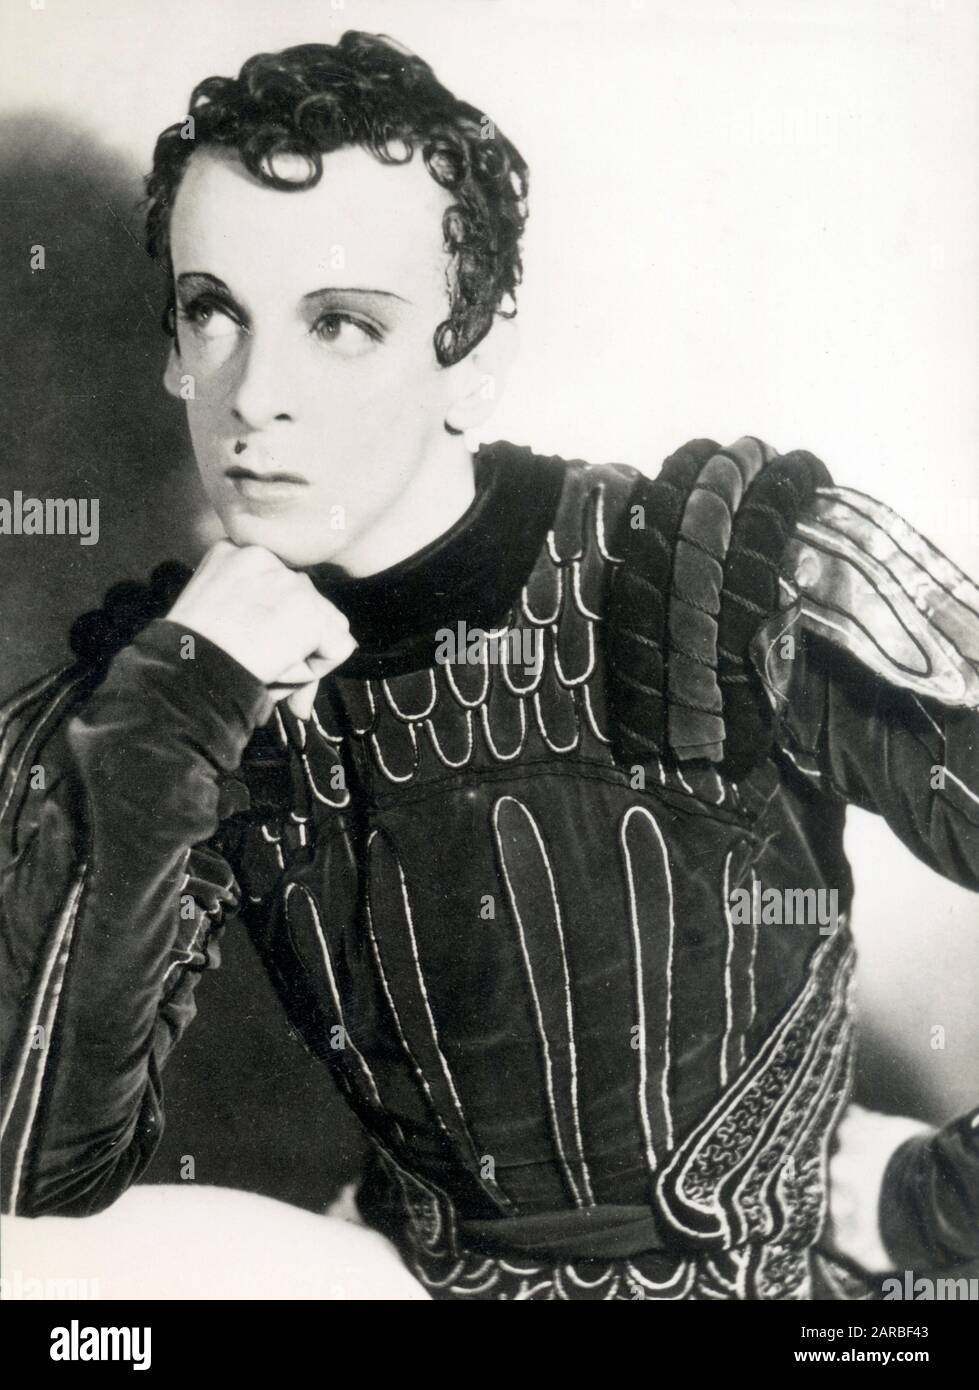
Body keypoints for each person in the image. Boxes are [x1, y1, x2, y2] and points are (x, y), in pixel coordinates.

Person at [1, 31, 976, 1301]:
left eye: (342, 324)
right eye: (213, 310)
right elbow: (37, 1177)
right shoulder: (174, 687)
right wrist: (173, 716)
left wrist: (937, 1202)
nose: (254, 394)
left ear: (471, 354)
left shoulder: (709, 572)